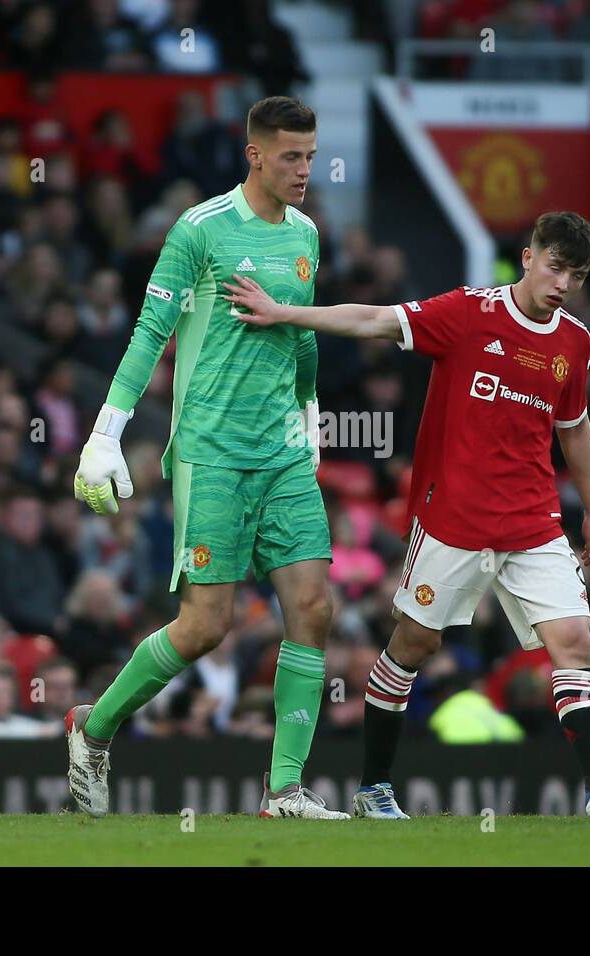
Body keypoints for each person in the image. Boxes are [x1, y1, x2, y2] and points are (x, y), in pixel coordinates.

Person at [227, 211, 590, 819]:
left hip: (534, 520)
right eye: (556, 266)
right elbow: (374, 320)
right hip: (452, 519)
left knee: (573, 643)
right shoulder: (469, 313)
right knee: (415, 644)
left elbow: (574, 427)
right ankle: (374, 787)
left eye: (577, 274)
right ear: (527, 257)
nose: (563, 282)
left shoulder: (574, 341)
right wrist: (284, 313)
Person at [68, 97, 346, 819]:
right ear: (254, 154)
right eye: (291, 157)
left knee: (313, 609)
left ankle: (283, 791)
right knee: (205, 626)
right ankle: (93, 733)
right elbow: (149, 330)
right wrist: (105, 433)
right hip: (211, 455)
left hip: (282, 451)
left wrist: (312, 409)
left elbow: (302, 331)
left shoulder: (307, 234)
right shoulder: (200, 230)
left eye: (311, 157)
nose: (304, 171)